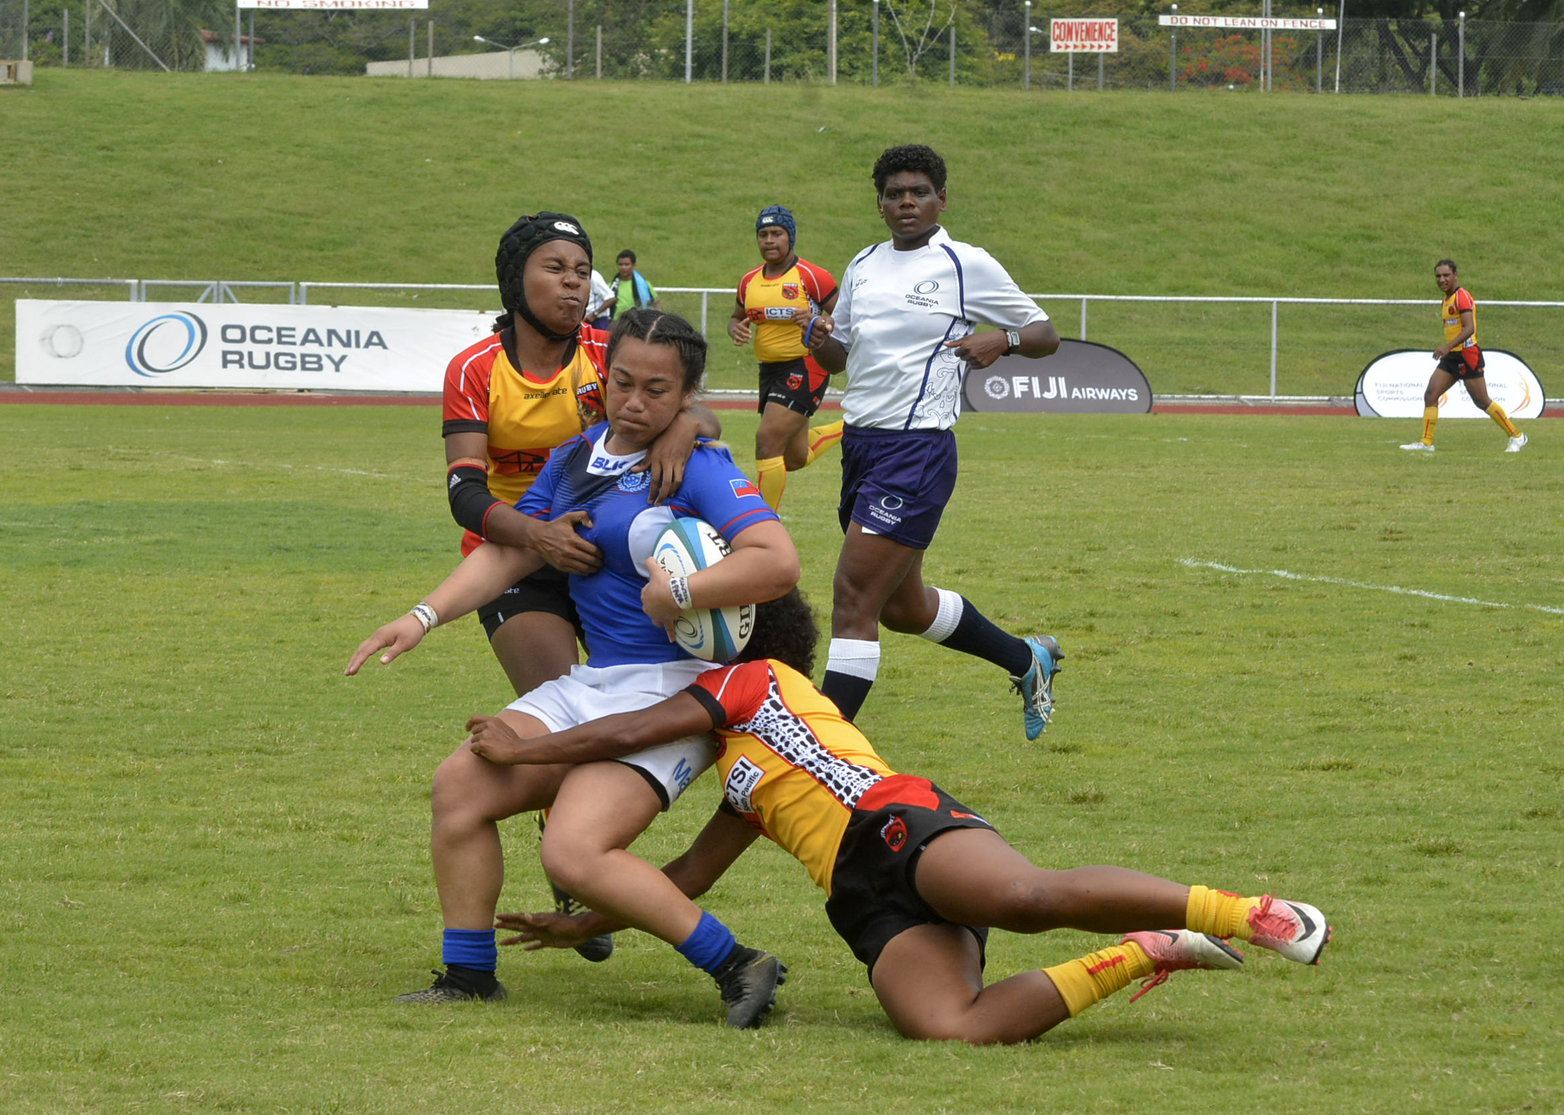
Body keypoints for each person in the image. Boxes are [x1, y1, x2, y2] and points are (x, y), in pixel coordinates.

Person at [481, 590, 1333, 1045]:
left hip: (894, 824)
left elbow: (634, 727)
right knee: (948, 1027)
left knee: (1025, 900)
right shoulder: (737, 768)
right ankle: (1146, 950)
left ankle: (1248, 913)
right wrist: (585, 920)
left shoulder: (758, 681)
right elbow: (689, 876)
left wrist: (525, 751)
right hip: (861, 896)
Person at [349, 310, 801, 1026]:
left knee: (572, 852)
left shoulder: (699, 464)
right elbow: (506, 555)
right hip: (593, 683)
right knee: (460, 786)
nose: (635, 401)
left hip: (677, 693)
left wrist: (677, 591)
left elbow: (776, 562)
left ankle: (737, 961)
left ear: (686, 397)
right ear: (604, 376)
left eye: (658, 390)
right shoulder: (571, 460)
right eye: (622, 381)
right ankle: (469, 974)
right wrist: (420, 617)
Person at [442, 213, 716, 959]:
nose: (574, 282)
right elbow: (464, 492)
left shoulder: (607, 351)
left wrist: (688, 425)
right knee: (559, 704)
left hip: (609, 559)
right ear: (515, 278)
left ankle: (582, 854)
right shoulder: (475, 367)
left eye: (582, 269)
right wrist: (535, 535)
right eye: (555, 267)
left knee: (636, 690)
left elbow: (688, 403)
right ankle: (577, 865)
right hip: (518, 556)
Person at [798, 143, 1065, 739]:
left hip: (916, 451)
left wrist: (1004, 341)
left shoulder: (965, 263)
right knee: (901, 608)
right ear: (880, 204)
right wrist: (819, 340)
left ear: (942, 199)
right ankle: (1028, 660)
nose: (907, 202)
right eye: (895, 194)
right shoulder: (862, 264)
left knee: (853, 599)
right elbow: (841, 358)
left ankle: (817, 744)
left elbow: (1043, 332)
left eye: (919, 192)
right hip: (861, 446)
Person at [726, 205, 846, 511]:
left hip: (805, 366)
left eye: (776, 233)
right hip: (769, 370)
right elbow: (736, 317)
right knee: (793, 458)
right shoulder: (749, 281)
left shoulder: (812, 276)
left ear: (789, 237)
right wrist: (735, 329)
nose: (769, 240)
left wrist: (821, 323)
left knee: (767, 441)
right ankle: (850, 427)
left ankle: (760, 526)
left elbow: (846, 318)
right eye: (763, 234)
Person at [1400, 259, 1527, 454]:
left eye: (1446, 275)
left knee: (1482, 401)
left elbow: (1470, 328)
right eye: (1438, 276)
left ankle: (1517, 436)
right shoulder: (1446, 300)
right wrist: (1449, 349)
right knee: (1431, 394)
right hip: (1452, 357)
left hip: (1467, 355)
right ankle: (1426, 442)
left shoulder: (1462, 297)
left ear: (1455, 275)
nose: (1442, 279)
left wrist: (1447, 346)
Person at [610, 249, 660, 317]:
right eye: (620, 264)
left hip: (637, 323)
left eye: (626, 264)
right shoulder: (611, 286)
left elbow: (656, 302)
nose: (623, 267)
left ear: (633, 265)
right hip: (616, 324)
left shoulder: (644, 285)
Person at [585, 266, 614, 331]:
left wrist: (594, 314)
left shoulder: (593, 276)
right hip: (583, 322)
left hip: (598, 322)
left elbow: (611, 298)